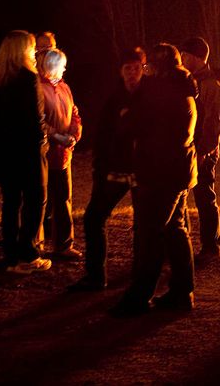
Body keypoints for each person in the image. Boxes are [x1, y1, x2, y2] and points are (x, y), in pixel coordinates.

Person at [111, 43, 198, 316]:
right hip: (178, 171)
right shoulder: (183, 90)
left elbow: (133, 126)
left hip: (161, 174)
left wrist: (127, 116)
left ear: (158, 68)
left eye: (149, 67)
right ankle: (182, 293)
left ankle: (138, 298)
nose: (145, 72)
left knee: (151, 235)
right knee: (175, 231)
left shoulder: (162, 95)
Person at [70, 47, 145, 291]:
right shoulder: (114, 99)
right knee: (94, 217)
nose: (132, 73)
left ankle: (141, 276)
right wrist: (100, 167)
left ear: (143, 69)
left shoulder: (150, 97)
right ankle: (96, 276)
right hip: (116, 170)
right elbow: (103, 136)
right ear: (120, 72)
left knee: (143, 223)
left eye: (136, 68)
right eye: (127, 69)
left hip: (143, 171)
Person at [0, 30, 50, 274]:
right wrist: (43, 141)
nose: (34, 52)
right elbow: (35, 117)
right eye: (31, 47)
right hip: (27, 149)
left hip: (4, 149)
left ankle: (11, 255)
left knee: (11, 202)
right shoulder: (28, 78)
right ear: (22, 50)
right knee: (36, 199)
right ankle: (28, 253)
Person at [180, 37, 220, 265]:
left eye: (185, 55)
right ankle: (182, 244)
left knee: (205, 197)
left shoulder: (211, 86)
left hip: (202, 152)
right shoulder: (190, 81)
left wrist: (204, 151)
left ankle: (212, 247)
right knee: (181, 197)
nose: (181, 59)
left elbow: (214, 122)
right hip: (188, 148)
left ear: (196, 57)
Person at [37, 48, 82, 260]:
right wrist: (56, 135)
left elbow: (74, 113)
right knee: (40, 201)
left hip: (63, 154)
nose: (64, 69)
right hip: (45, 153)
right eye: (62, 65)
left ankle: (64, 244)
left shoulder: (64, 87)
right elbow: (38, 119)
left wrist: (74, 133)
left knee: (64, 198)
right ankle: (35, 245)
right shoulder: (39, 89)